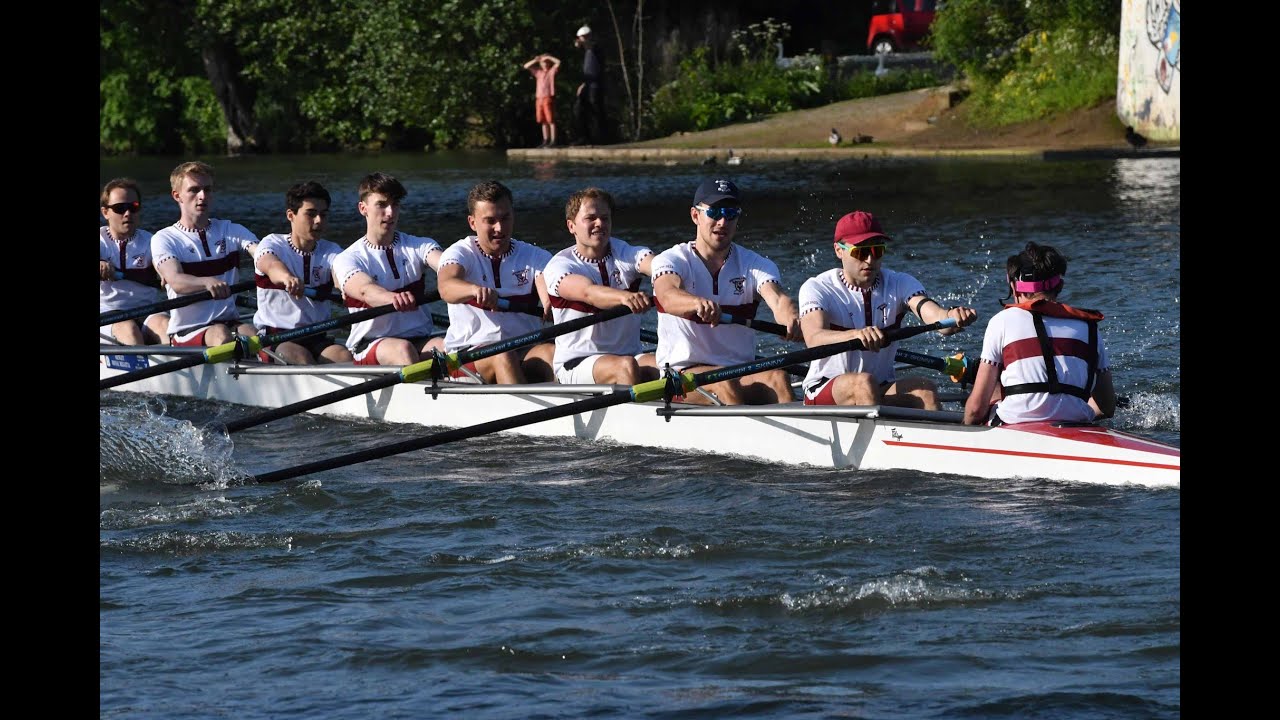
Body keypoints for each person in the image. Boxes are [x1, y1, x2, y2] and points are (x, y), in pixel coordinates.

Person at [798, 210, 978, 410]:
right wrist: (856, 334)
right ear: (839, 250)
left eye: (877, 251)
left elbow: (937, 319)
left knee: (925, 391)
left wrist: (951, 316)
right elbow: (813, 338)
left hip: (880, 385)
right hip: (825, 388)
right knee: (862, 384)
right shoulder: (817, 288)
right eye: (860, 252)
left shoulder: (899, 283)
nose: (869, 259)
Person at [651, 178, 801, 405]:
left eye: (731, 213)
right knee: (724, 383)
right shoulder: (672, 260)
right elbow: (667, 295)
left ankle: (796, 424)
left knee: (779, 378)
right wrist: (696, 304)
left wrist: (790, 318)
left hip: (740, 372)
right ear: (695, 216)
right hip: (681, 376)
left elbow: (778, 299)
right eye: (714, 212)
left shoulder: (755, 264)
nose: (723, 221)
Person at [963, 241, 1115, 426]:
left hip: (1013, 426)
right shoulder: (1089, 327)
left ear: (1014, 287)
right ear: (1059, 286)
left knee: (992, 381)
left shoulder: (1001, 321)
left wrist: (965, 428)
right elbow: (1107, 406)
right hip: (1076, 425)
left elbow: (976, 410)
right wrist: (1073, 409)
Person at [437, 180, 555, 384]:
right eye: (490, 221)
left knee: (552, 353)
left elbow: (547, 284)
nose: (499, 228)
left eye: (505, 218)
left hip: (523, 348)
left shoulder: (534, 256)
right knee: (502, 355)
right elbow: (446, 287)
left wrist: (550, 301)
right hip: (468, 356)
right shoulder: (460, 253)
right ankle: (523, 403)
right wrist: (474, 290)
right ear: (472, 222)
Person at [545, 187, 658, 385]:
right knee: (626, 367)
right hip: (577, 362)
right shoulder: (560, 266)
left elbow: (656, 265)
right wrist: (624, 297)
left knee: (668, 365)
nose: (599, 223)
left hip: (630, 355)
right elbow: (588, 293)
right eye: (591, 218)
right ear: (571, 226)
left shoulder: (624, 253)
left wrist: (670, 276)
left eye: (605, 218)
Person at [331, 172, 445, 366]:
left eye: (395, 204)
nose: (390, 212)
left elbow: (446, 265)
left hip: (419, 339)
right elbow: (365, 290)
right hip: (370, 344)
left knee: (451, 346)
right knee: (403, 350)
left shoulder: (419, 245)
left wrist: (462, 279)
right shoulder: (347, 259)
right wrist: (392, 298)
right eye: (382, 205)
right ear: (363, 208)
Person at [151, 161, 258, 347]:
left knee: (254, 333)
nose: (202, 196)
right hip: (188, 331)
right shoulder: (165, 238)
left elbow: (262, 254)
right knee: (220, 334)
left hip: (229, 323)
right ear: (177, 196)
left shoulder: (230, 230)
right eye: (194, 190)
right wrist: (207, 282)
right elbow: (176, 281)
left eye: (207, 190)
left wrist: (279, 270)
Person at [252, 181, 353, 365]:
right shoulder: (272, 243)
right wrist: (287, 278)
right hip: (276, 339)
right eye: (311, 214)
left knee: (344, 357)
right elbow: (271, 265)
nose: (319, 221)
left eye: (323, 214)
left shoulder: (332, 251)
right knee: (301, 358)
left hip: (317, 337)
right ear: (291, 215)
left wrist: (348, 288)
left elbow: (341, 274)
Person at [100, 177, 169, 344]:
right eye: (120, 208)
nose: (127, 213)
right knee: (129, 329)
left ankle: (178, 358)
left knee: (166, 326)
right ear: (105, 212)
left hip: (148, 311)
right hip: (107, 315)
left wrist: (166, 271)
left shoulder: (152, 241)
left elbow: (164, 265)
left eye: (133, 207)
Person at [571, 25, 607, 146]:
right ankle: (583, 137)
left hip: (595, 85)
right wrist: (583, 84)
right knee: (579, 110)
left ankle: (598, 138)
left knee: (595, 110)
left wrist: (581, 42)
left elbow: (590, 45)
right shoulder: (586, 51)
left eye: (582, 37)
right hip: (587, 84)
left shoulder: (595, 47)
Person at [522, 53, 561, 148]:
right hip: (539, 98)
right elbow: (526, 66)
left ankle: (553, 140)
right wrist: (536, 60)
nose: (545, 64)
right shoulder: (538, 72)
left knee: (550, 119)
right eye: (543, 62)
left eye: (547, 62)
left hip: (548, 97)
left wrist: (549, 57)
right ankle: (545, 139)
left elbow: (558, 62)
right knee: (542, 120)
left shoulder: (551, 71)